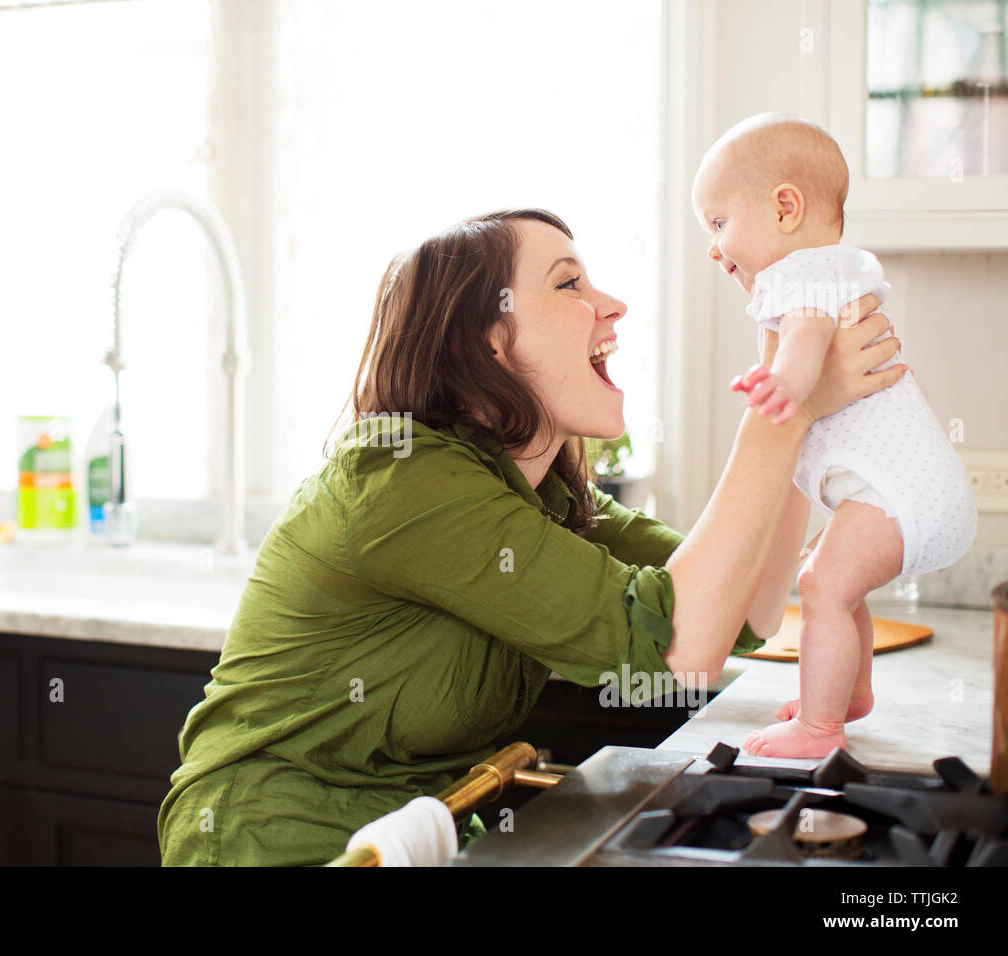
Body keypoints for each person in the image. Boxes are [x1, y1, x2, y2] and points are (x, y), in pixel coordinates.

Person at [156, 207, 905, 865]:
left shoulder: (536, 496)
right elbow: (680, 644)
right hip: (273, 842)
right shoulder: (405, 482)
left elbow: (741, 612)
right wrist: (789, 409)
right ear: (487, 340)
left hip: (420, 833)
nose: (610, 305)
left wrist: (798, 399)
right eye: (569, 284)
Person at [691, 113, 976, 758]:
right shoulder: (824, 270)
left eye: (718, 222)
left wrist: (784, 389)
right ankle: (848, 691)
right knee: (832, 580)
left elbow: (808, 340)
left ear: (785, 207)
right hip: (908, 495)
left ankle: (821, 727)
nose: (713, 247)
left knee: (822, 584)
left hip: (902, 497)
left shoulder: (805, 274)